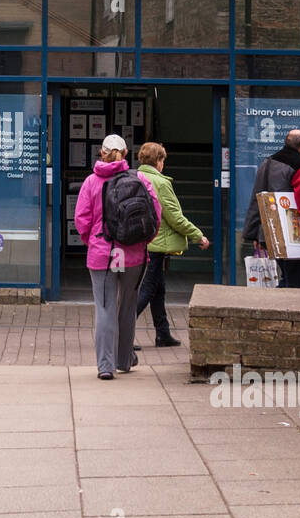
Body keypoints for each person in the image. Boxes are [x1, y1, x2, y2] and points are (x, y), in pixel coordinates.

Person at [74, 134, 161, 380]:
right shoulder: (140, 179)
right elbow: (155, 213)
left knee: (105, 308)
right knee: (128, 306)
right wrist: (145, 241)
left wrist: (92, 242)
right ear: (125, 155)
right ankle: (124, 360)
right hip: (133, 254)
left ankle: (105, 366)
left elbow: (82, 220)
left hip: (102, 254)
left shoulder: (91, 182)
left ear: (102, 153)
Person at [134, 142, 210, 349]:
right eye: (163, 160)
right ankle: (123, 332)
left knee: (158, 290)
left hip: (142, 240)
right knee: (148, 289)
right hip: (157, 243)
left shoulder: (135, 177)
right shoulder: (160, 182)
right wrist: (198, 235)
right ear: (158, 161)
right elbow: (174, 217)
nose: (163, 165)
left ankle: (163, 333)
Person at [242, 128, 300, 288]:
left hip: (270, 234)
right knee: (296, 286)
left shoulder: (268, 162)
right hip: (293, 238)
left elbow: (257, 198)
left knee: (286, 279)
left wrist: (254, 234)